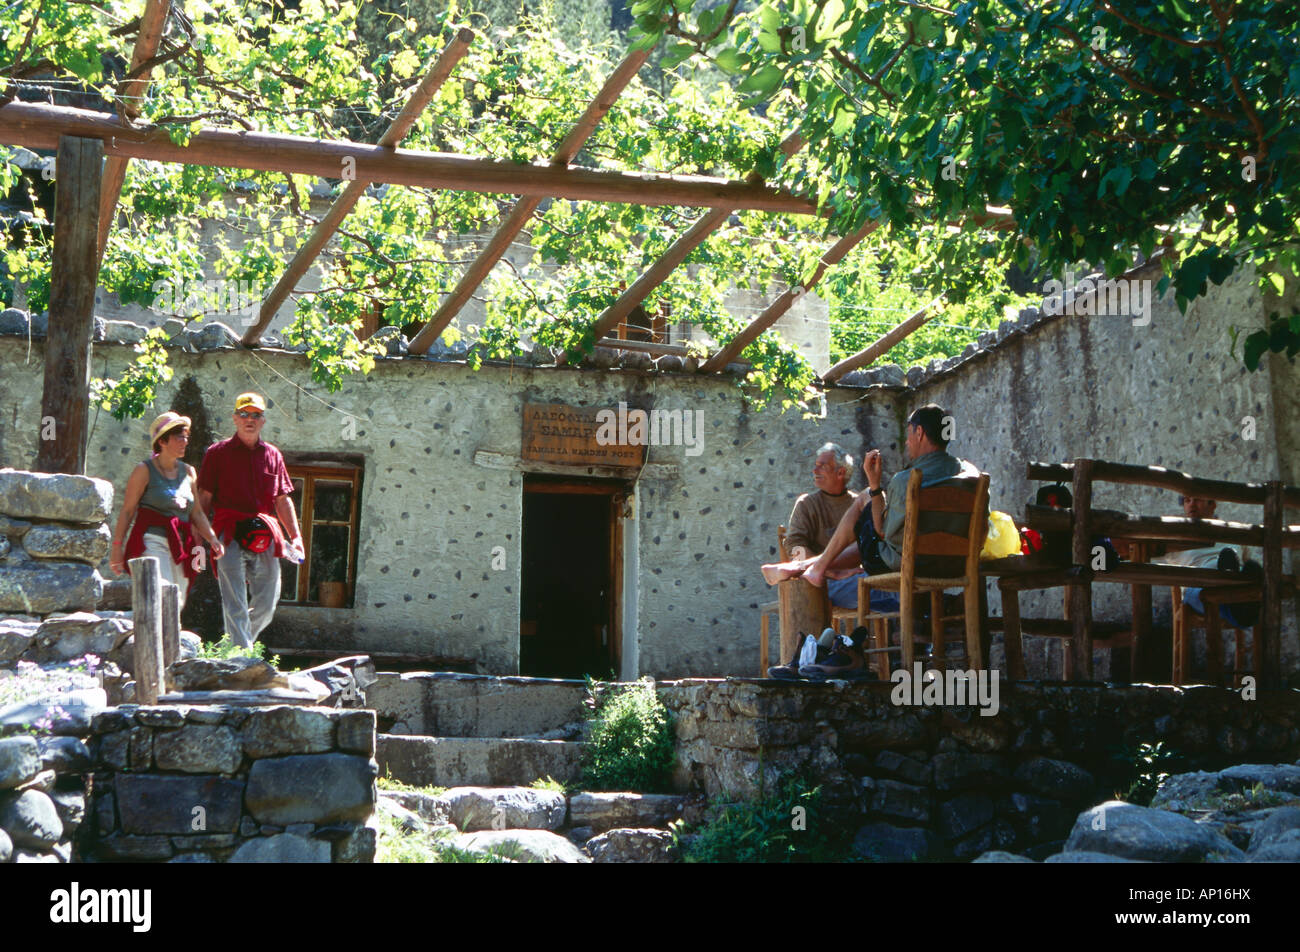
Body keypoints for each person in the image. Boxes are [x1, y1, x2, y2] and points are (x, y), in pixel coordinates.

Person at [767, 404, 980, 589]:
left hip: (909, 563)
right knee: (867, 510)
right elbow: (793, 543)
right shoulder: (972, 475)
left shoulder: (905, 480)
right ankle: (815, 567)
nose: (815, 471)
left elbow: (883, 534)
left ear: (920, 433)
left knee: (867, 516)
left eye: (822, 466)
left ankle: (813, 567)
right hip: (956, 564)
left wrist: (875, 487)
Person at [197, 393, 304, 648]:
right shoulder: (217, 453)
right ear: (235, 418)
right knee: (235, 601)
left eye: (256, 415)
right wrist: (199, 538)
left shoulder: (273, 455)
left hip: (266, 534)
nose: (249, 420)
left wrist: (296, 536)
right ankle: (240, 659)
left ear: (263, 421)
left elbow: (282, 500)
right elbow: (204, 498)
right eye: (244, 414)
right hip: (228, 533)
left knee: (268, 603)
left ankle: (233, 647)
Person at [109, 412, 225, 609]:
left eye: (186, 437)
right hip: (152, 542)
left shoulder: (188, 472)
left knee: (178, 599)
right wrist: (117, 548)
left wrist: (212, 539)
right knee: (163, 594)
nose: (185, 442)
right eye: (179, 437)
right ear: (162, 441)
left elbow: (196, 513)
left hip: (180, 545)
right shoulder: (144, 470)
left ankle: (168, 640)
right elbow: (128, 511)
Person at [1155, 495, 1260, 628]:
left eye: (1197, 499)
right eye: (1187, 501)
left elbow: (1247, 562)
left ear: (1212, 504)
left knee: (1250, 568)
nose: (1192, 505)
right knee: (1214, 593)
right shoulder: (1177, 535)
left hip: (1236, 583)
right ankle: (1241, 612)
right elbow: (1148, 555)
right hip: (1198, 588)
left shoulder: (1232, 532)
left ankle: (1230, 584)